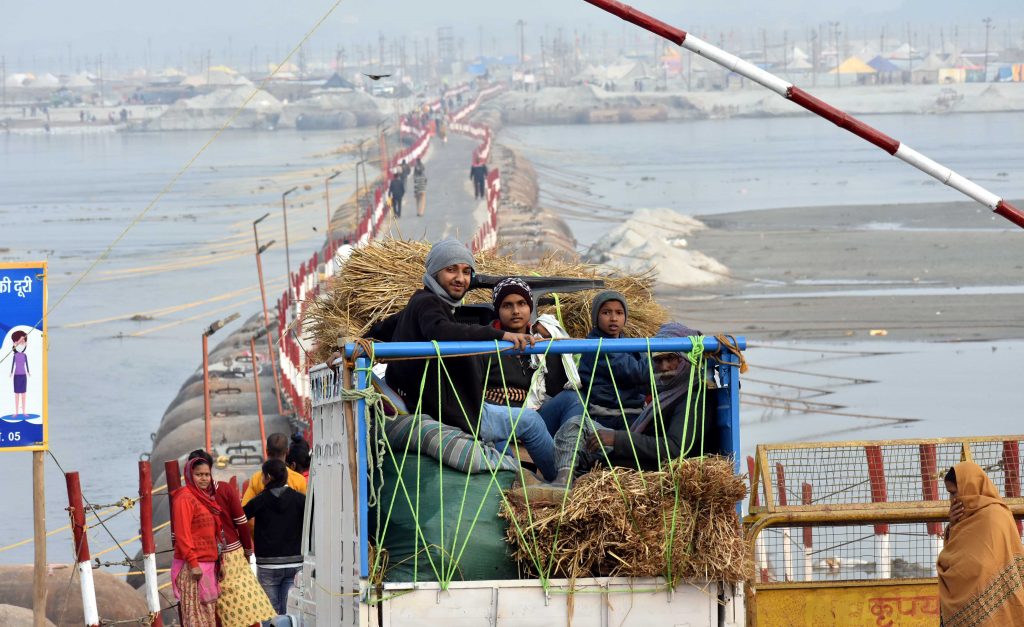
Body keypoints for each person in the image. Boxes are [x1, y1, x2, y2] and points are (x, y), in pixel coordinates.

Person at [368, 239, 535, 437]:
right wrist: (500, 335)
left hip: (449, 411)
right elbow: (440, 330)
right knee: (532, 423)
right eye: (451, 270)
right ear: (434, 272)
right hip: (448, 415)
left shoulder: (421, 303)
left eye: (466, 272)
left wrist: (350, 346)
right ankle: (567, 469)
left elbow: (382, 330)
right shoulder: (428, 302)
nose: (460, 278)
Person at [551, 322, 705, 484]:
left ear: (686, 358)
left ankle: (564, 483)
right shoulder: (668, 390)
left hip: (651, 466)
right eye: (658, 360)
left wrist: (618, 439)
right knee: (577, 425)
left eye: (671, 358)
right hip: (637, 450)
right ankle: (562, 480)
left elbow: (675, 449)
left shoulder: (693, 396)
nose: (664, 367)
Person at [479, 278, 562, 481]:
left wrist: (549, 346)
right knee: (508, 477)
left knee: (572, 398)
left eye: (521, 304)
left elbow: (556, 387)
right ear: (497, 310)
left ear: (530, 307)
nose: (516, 311)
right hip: (499, 419)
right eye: (508, 305)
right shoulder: (483, 342)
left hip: (536, 416)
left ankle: (565, 475)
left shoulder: (541, 341)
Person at [186, 451, 274, 627]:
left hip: (205, 556)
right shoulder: (225, 489)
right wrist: (248, 551)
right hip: (232, 552)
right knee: (243, 599)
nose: (202, 477)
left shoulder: (188, 496)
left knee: (215, 602)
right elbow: (241, 522)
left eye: (204, 473)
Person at [539, 291, 645, 435]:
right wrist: (651, 363)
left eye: (619, 313)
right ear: (596, 317)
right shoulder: (595, 346)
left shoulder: (628, 343)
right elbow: (635, 371)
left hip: (631, 413)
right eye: (606, 313)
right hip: (607, 416)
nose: (613, 318)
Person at [937, 461, 1024, 625]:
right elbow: (951, 559)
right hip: (965, 607)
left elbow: (987, 564)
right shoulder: (961, 522)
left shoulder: (996, 515)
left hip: (994, 605)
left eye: (955, 493)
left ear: (970, 488)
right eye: (950, 494)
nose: (953, 499)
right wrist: (953, 526)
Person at [243, 459, 306, 618]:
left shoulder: (260, 500)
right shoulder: (300, 500)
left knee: (269, 613)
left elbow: (240, 517)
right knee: (290, 613)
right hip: (295, 563)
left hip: (268, 565)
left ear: (268, 477)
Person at [170, 457, 222, 627]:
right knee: (196, 619)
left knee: (208, 617)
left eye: (207, 474)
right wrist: (193, 564)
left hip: (207, 564)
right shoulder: (185, 498)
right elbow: (182, 534)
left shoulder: (205, 497)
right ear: (190, 475)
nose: (204, 478)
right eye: (199, 474)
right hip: (193, 568)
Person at [242, 433, 307, 507]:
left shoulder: (257, 478)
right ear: (287, 451)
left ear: (266, 451)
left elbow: (245, 508)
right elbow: (305, 510)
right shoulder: (299, 480)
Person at [9, 330, 29, 418]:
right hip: (16, 376)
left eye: (23, 341)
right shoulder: (15, 356)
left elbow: (27, 364)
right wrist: (10, 373)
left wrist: (28, 372)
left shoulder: (25, 355)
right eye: (19, 342)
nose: (21, 343)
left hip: (23, 376)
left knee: (23, 394)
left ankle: (24, 411)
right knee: (17, 394)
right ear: (14, 343)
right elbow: (13, 365)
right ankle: (16, 412)